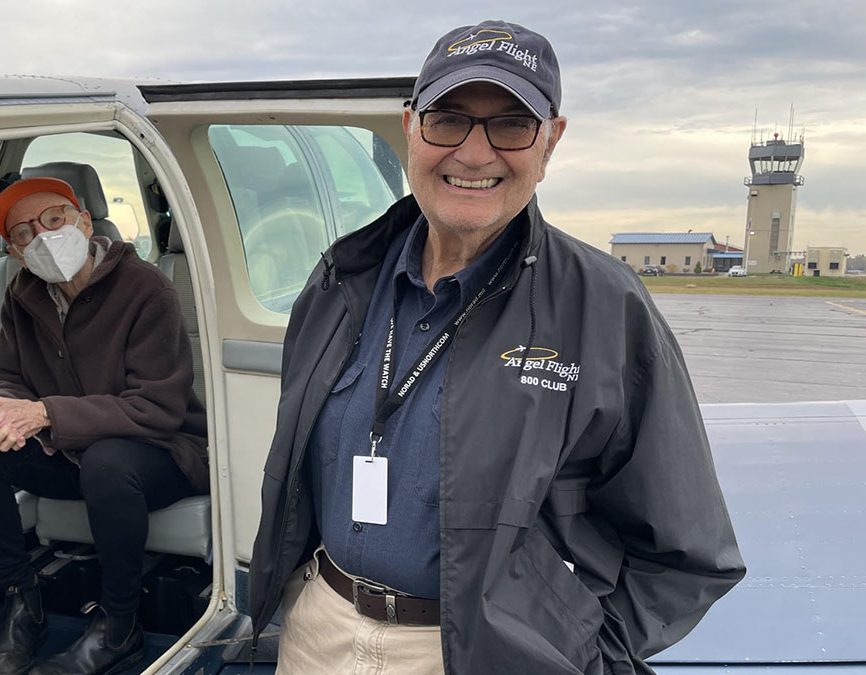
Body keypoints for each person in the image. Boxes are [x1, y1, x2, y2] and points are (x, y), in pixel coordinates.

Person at [248, 20, 745, 675]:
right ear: (411, 127)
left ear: (551, 141)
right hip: (319, 628)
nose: (475, 154)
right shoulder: (340, 278)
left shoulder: (605, 306)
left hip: (483, 656)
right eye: (448, 120)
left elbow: (690, 553)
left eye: (511, 125)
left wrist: (575, 649)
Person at [0, 176, 207, 675]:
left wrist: (45, 414)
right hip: (73, 452)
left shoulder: (146, 287)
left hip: (160, 452)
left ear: (85, 222)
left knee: (107, 461)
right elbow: (8, 375)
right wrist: (1, 409)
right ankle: (22, 602)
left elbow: (156, 407)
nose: (43, 236)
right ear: (15, 252)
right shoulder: (23, 292)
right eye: (24, 233)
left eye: (54, 219)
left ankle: (119, 627)